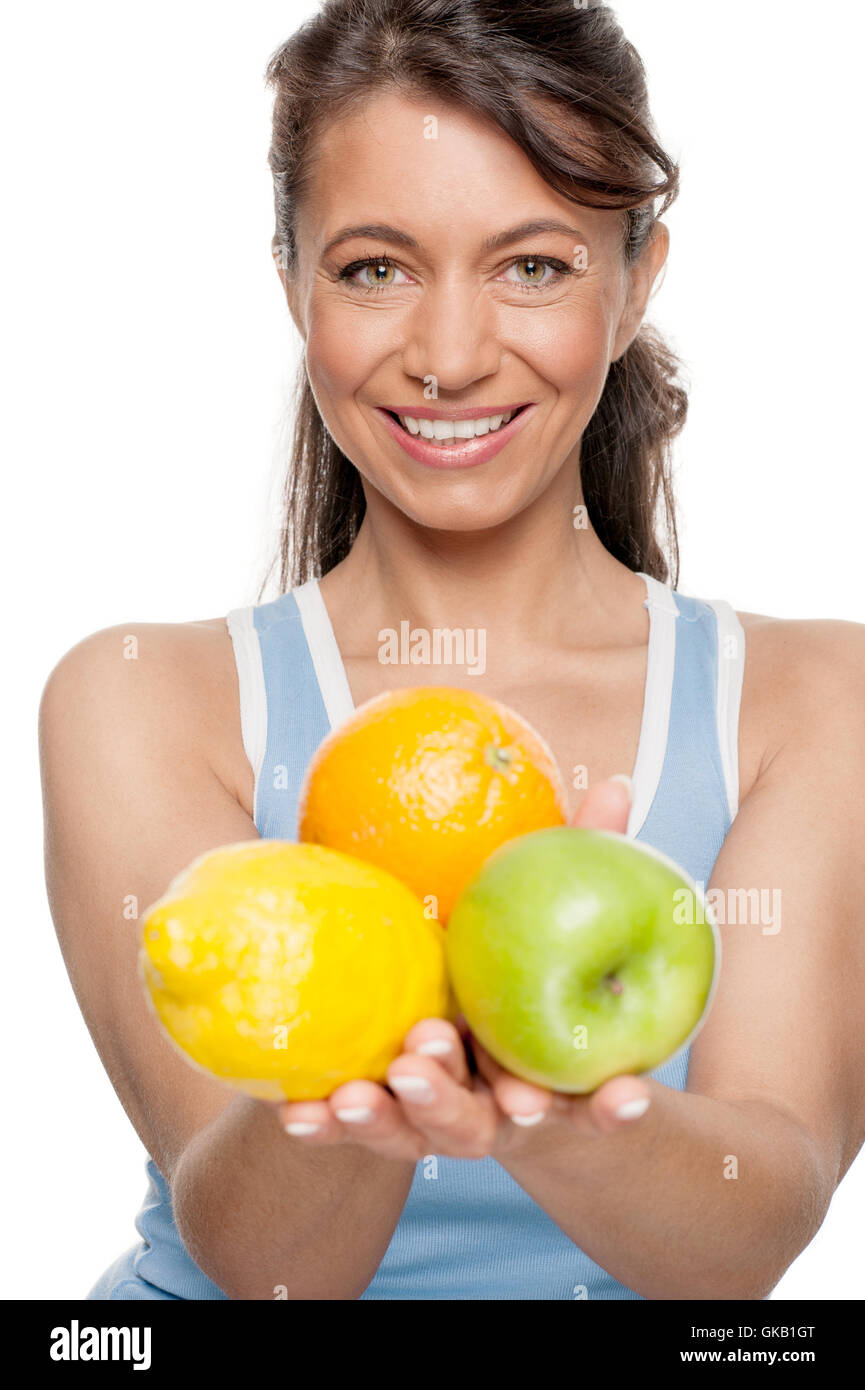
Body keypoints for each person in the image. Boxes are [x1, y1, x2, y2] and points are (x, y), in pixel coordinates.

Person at [40, 0, 865, 1301]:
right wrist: (400, 1039)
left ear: (637, 276)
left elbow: (754, 1226)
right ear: (290, 281)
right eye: (375, 268)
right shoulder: (142, 701)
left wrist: (531, 1102)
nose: (448, 355)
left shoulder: (812, 700)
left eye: (532, 265)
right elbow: (260, 1264)